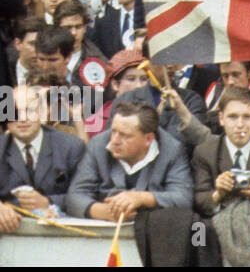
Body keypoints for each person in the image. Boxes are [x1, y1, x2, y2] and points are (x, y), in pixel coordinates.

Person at [66, 101, 195, 220]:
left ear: (148, 139)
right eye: (113, 131)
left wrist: (143, 197)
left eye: (124, 135)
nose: (114, 141)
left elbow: (184, 199)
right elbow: (74, 196)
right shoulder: (98, 145)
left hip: (151, 230)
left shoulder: (172, 150)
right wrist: (101, 211)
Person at [0, 83, 86, 217]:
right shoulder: (2, 147)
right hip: (12, 228)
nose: (22, 119)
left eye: (30, 111)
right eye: (15, 113)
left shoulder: (71, 146)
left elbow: (85, 193)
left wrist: (48, 201)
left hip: (61, 229)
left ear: (41, 112)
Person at [191, 86, 250, 217]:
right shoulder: (205, 152)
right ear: (221, 119)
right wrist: (218, 194)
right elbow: (198, 200)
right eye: (233, 117)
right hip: (220, 222)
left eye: (247, 117)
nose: (240, 124)